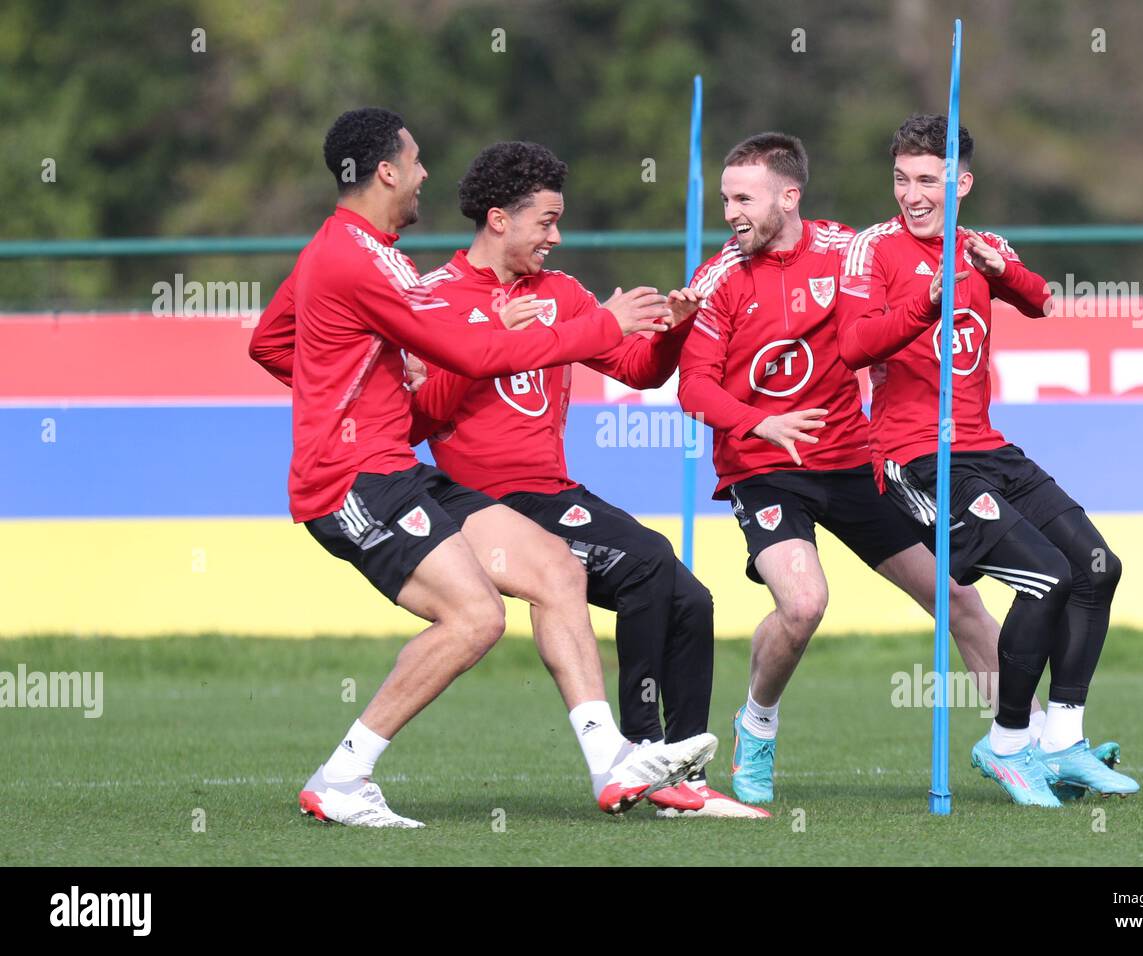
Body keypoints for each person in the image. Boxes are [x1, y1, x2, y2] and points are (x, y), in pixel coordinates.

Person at [248, 108, 715, 828]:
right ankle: (342, 776)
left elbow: (272, 345)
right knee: (476, 619)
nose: (426, 174)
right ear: (386, 172)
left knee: (558, 570)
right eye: (417, 160)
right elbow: (468, 357)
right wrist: (603, 324)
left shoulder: (349, 252)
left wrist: (352, 380)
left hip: (396, 469)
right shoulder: (357, 259)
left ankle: (611, 762)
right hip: (350, 480)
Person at [403, 141, 767, 818]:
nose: (557, 236)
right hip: (489, 507)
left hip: (555, 492)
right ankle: (641, 755)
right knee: (650, 562)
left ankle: (680, 772)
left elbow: (640, 371)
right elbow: (414, 421)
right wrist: (486, 348)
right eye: (545, 221)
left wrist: (673, 335)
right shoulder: (435, 299)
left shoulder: (563, 293)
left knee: (690, 599)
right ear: (498, 219)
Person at [677, 132, 1019, 805]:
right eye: (725, 199)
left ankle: (1023, 742)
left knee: (960, 599)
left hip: (854, 462)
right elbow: (694, 389)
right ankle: (758, 723)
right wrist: (759, 422)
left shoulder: (849, 251)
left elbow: (897, 302)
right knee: (803, 605)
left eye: (743, 198)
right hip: (763, 467)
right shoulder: (717, 277)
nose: (731, 212)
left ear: (789, 196)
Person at [837, 114, 1135, 806]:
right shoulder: (871, 250)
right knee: (1043, 579)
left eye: (928, 181)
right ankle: (1006, 745)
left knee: (1096, 567)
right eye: (901, 180)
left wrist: (1008, 271)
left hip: (987, 446)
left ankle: (1063, 742)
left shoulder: (978, 246)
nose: (912, 195)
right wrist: (924, 303)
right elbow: (853, 345)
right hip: (917, 458)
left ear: (961, 183)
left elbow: (1039, 302)